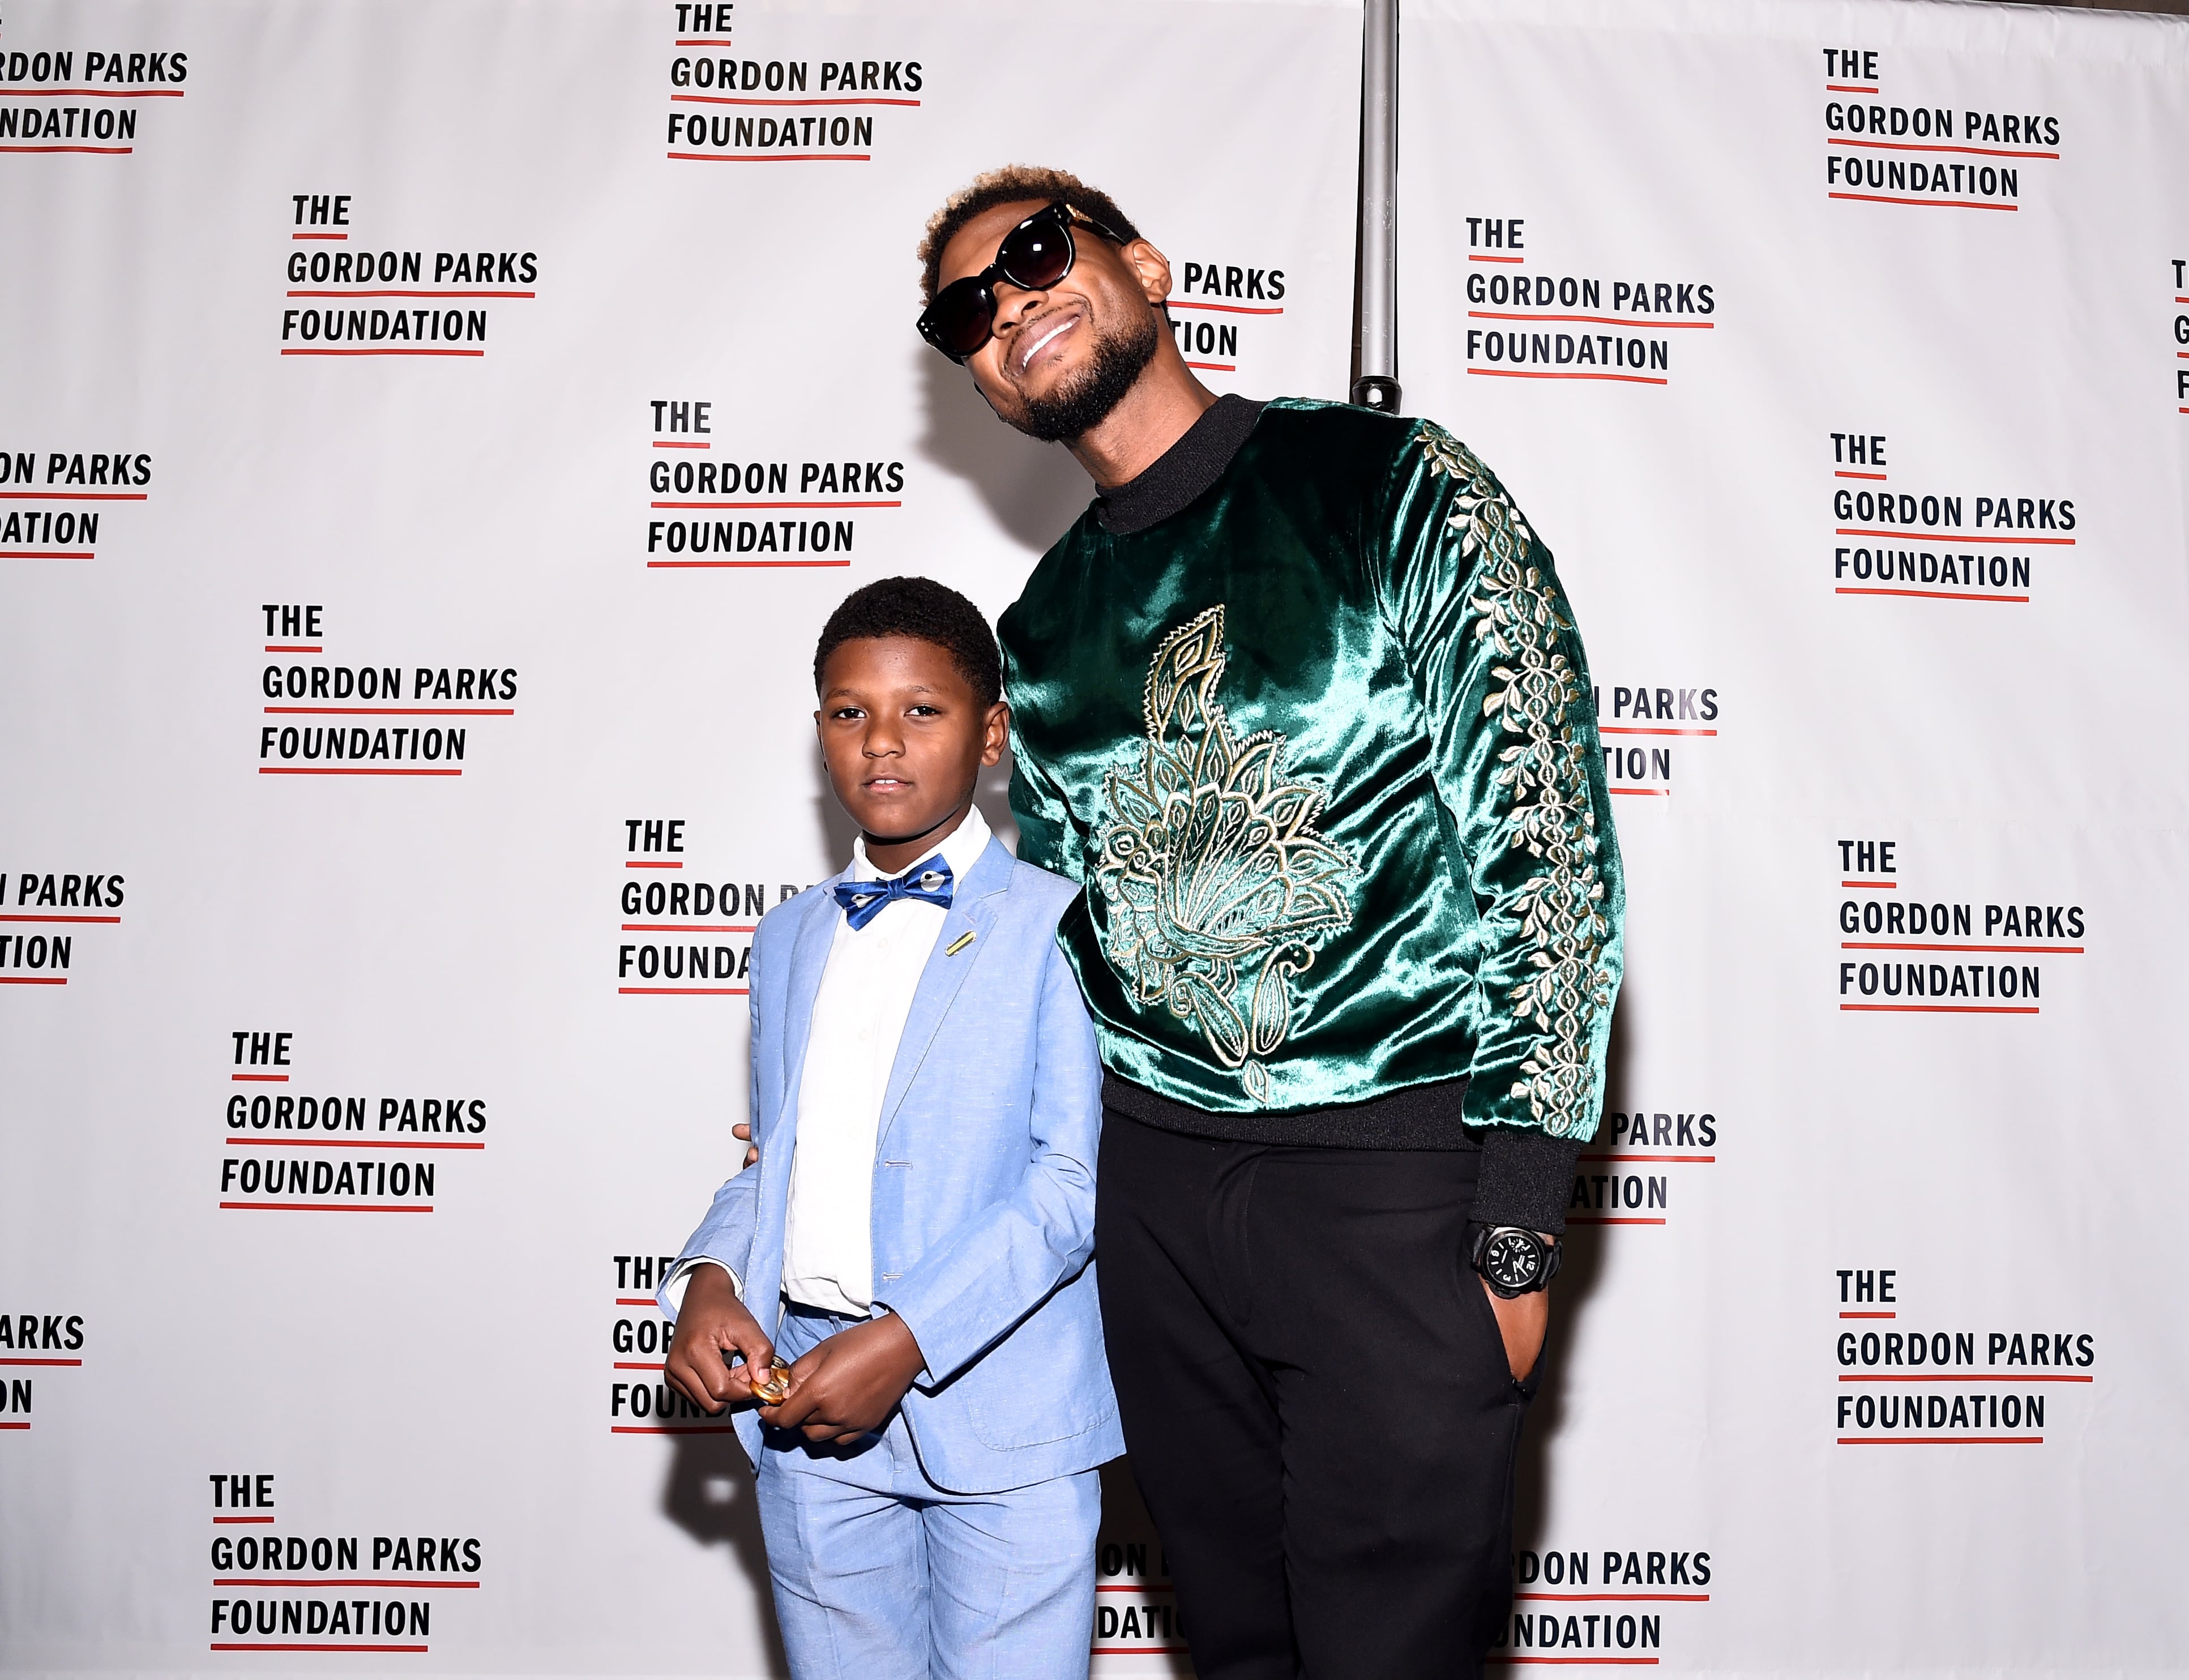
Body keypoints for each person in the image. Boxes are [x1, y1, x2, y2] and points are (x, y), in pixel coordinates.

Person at [913, 167, 1628, 1679]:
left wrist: (1512, 1220)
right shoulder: (1041, 630)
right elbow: (1061, 960)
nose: (1011, 302)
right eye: (966, 308)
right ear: (975, 375)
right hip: (1154, 1207)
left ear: (1150, 268)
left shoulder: (1390, 486)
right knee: (1238, 1654)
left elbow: (1542, 829)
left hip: (1393, 1186)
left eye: (1039, 253)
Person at [656, 576, 1119, 1679]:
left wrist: (906, 1336)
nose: (881, 741)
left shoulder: (1065, 926)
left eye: (923, 709)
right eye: (848, 710)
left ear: (993, 732)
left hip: (1003, 1410)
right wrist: (709, 1279)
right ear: (818, 730)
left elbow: (1070, 1189)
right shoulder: (786, 937)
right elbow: (777, 1162)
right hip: (807, 1411)